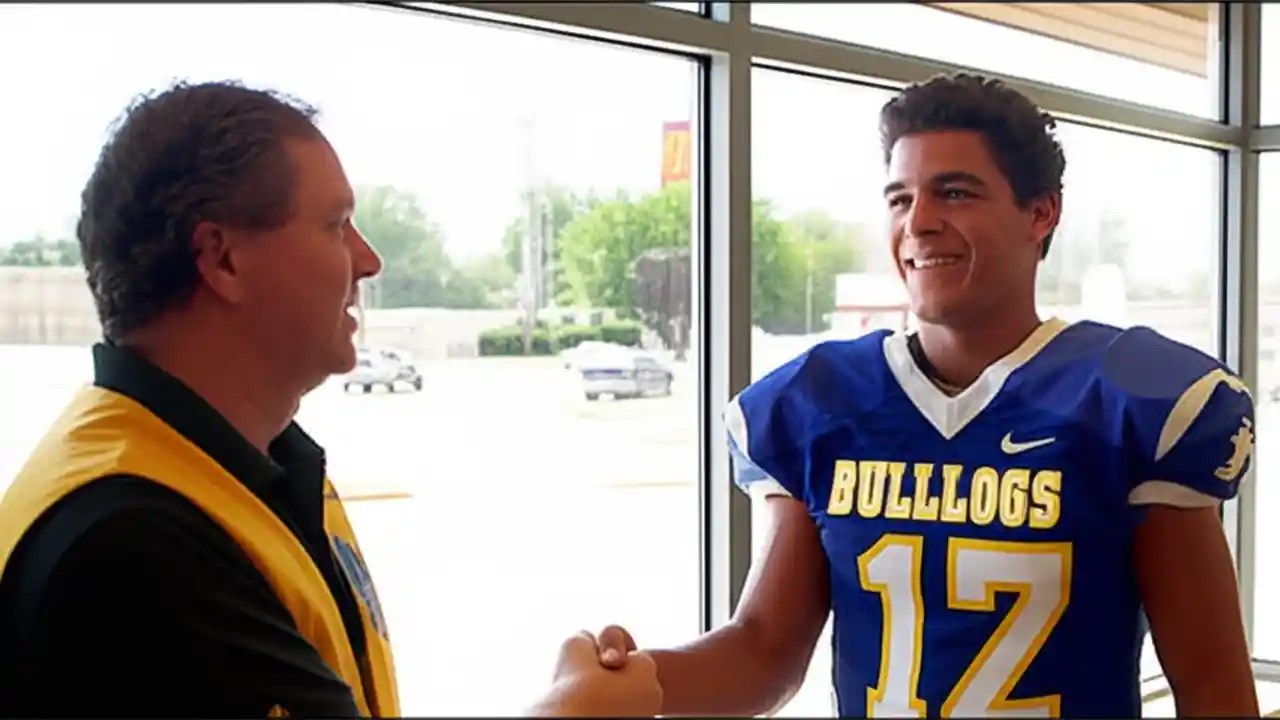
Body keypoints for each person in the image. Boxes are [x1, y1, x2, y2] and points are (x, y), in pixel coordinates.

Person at [593, 72, 1259, 718]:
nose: (920, 222)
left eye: (956, 193)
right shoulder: (819, 406)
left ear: (1041, 212)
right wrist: (637, 682)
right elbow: (764, 653)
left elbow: (1214, 689)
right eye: (900, 198)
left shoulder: (1128, 406)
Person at [0, 80, 661, 718]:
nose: (369, 261)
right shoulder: (129, 543)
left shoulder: (237, 471)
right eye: (336, 224)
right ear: (222, 260)